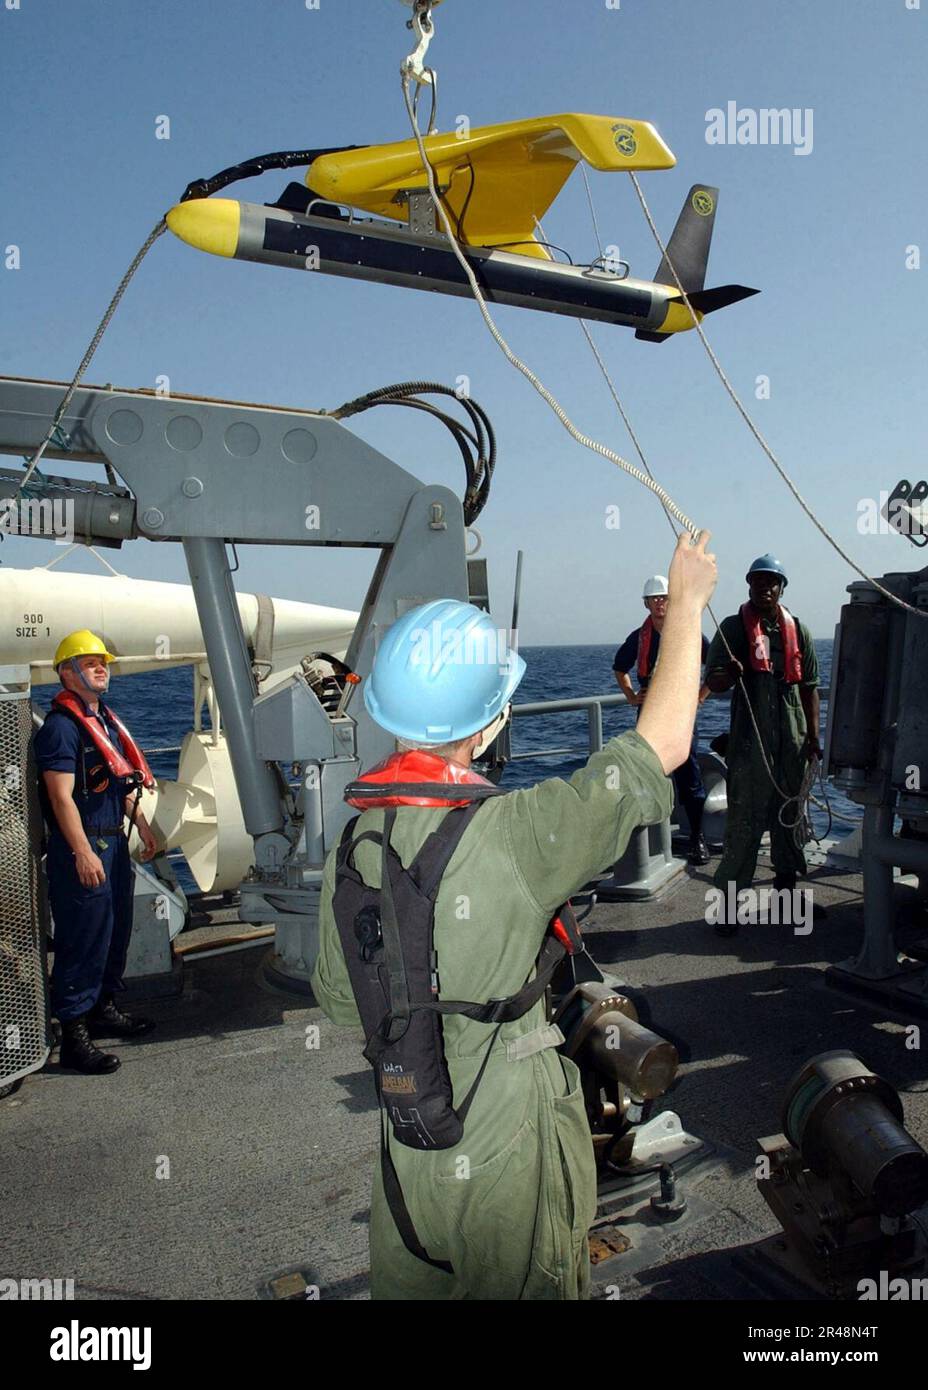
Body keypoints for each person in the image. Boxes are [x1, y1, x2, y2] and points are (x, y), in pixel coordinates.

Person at [312, 530, 717, 1300]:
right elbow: (660, 743)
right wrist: (689, 602)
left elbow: (338, 997)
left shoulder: (354, 836)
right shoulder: (521, 833)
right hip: (507, 1136)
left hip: (410, 1135)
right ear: (493, 718)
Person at [33, 630, 160, 1074]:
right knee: (82, 939)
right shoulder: (61, 729)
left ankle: (103, 1008)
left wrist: (143, 824)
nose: (100, 667)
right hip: (84, 845)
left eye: (102, 661)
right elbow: (61, 797)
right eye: (89, 663)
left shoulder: (102, 722)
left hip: (112, 840)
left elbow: (116, 782)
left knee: (113, 930)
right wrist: (83, 853)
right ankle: (74, 1036)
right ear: (66, 674)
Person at [704, 555, 821, 937]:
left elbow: (810, 687)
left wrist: (814, 736)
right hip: (751, 738)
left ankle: (786, 900)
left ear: (782, 587)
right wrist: (728, 672)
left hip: (793, 736)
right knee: (745, 822)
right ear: (748, 585)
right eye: (758, 581)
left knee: (790, 817)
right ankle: (727, 908)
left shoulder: (798, 629)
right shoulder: (733, 627)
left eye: (772, 582)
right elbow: (714, 683)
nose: (764, 587)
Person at [613, 574, 712, 864]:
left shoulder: (689, 633)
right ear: (646, 604)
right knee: (648, 771)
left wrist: (701, 695)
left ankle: (697, 837)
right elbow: (620, 667)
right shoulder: (638, 638)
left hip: (681, 711)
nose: (660, 603)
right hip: (650, 712)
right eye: (655, 598)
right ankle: (650, 844)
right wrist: (631, 696)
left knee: (689, 774)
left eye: (664, 598)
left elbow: (716, 664)